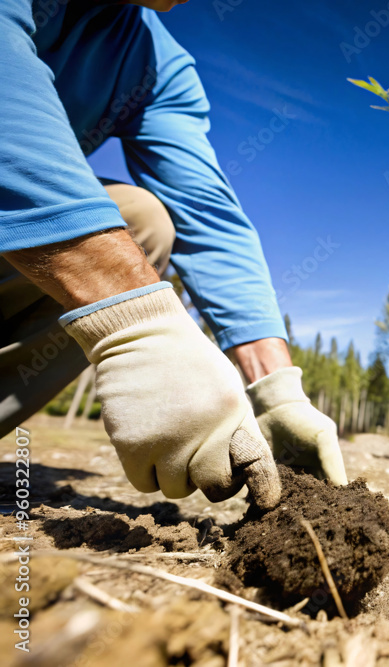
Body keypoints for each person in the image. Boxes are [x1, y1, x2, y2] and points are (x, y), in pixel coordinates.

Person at [0, 0, 346, 509]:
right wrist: (133, 321)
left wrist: (276, 391)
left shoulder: (152, 60)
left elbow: (207, 216)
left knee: (143, 223)